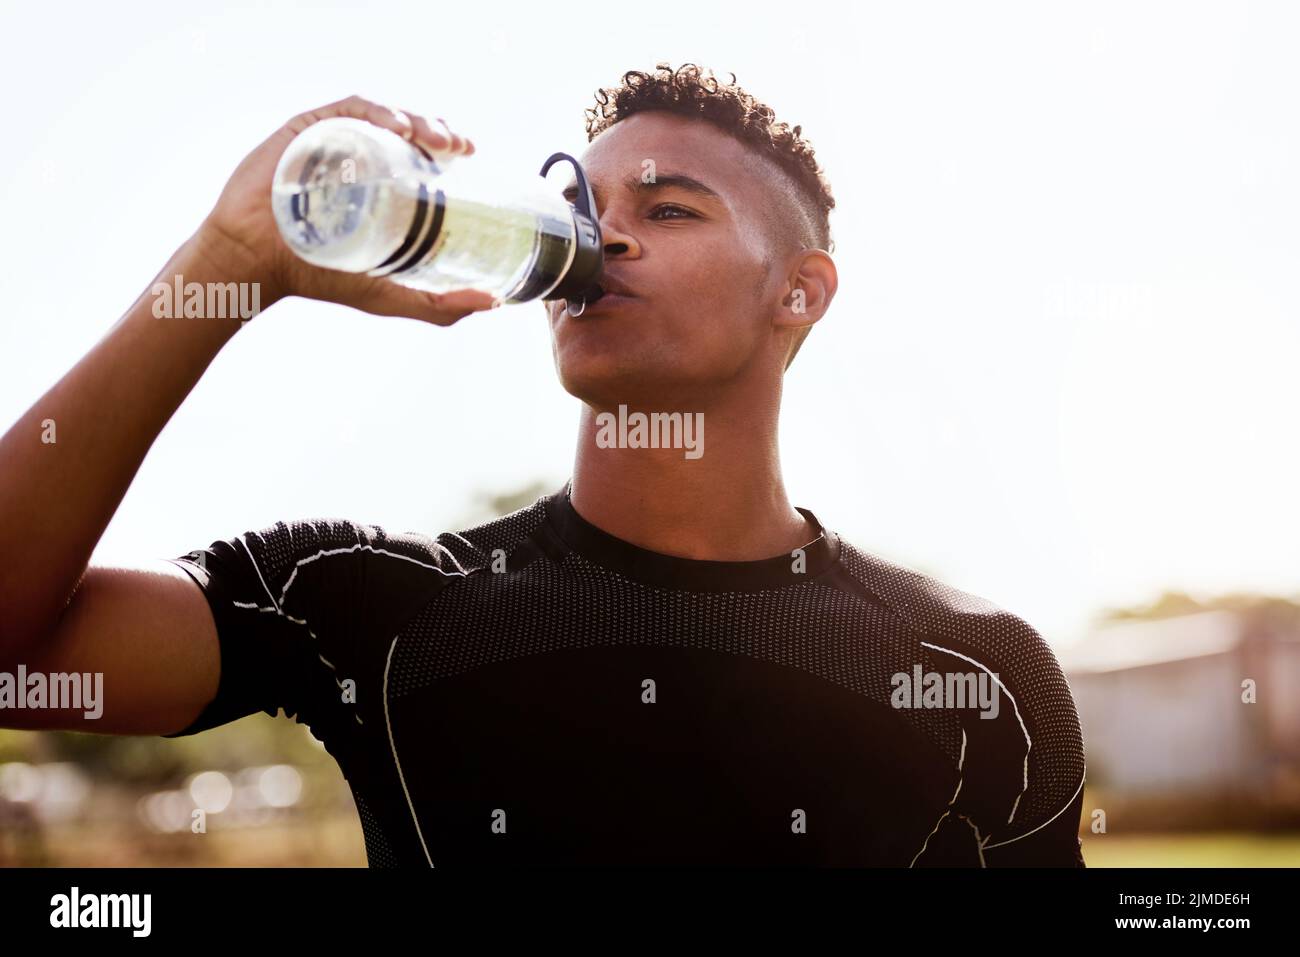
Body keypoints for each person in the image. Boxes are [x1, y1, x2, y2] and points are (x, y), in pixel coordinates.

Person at [0, 63, 1086, 866]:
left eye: (666, 210)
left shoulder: (978, 671)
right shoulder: (366, 605)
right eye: (583, 212)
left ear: (797, 290)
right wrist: (227, 264)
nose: (601, 241)